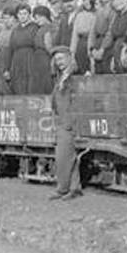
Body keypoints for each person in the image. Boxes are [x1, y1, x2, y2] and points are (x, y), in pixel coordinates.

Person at [48, 47, 84, 201]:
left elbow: (78, 100)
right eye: (57, 60)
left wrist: (70, 121)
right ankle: (73, 188)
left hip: (70, 122)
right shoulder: (60, 77)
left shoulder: (76, 75)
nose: (59, 63)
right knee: (68, 157)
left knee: (63, 156)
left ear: (70, 57)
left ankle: (63, 189)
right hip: (62, 120)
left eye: (61, 59)